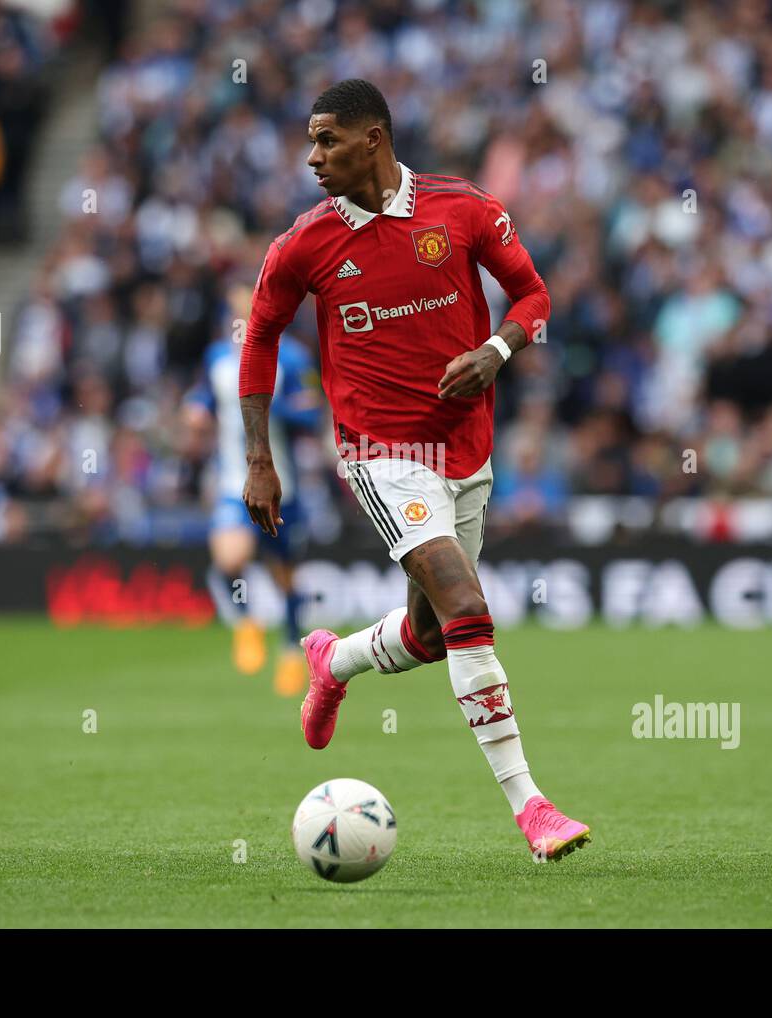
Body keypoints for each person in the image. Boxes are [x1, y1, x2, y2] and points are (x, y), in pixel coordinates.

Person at [238, 79, 589, 861]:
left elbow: (533, 295)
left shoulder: (460, 209)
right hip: (381, 453)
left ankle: (336, 659)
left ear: (374, 139)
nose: (312, 156)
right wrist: (259, 457)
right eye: (310, 140)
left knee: (433, 634)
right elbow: (259, 337)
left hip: (467, 448)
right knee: (465, 600)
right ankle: (531, 807)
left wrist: (498, 351)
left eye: (327, 140)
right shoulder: (304, 242)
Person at [185, 282, 320, 695]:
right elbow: (203, 403)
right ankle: (247, 622)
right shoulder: (217, 359)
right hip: (233, 482)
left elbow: (312, 415)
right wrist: (194, 413)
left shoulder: (292, 357)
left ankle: (290, 651)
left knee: (285, 579)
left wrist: (269, 403)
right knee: (229, 559)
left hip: (284, 487)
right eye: (235, 308)